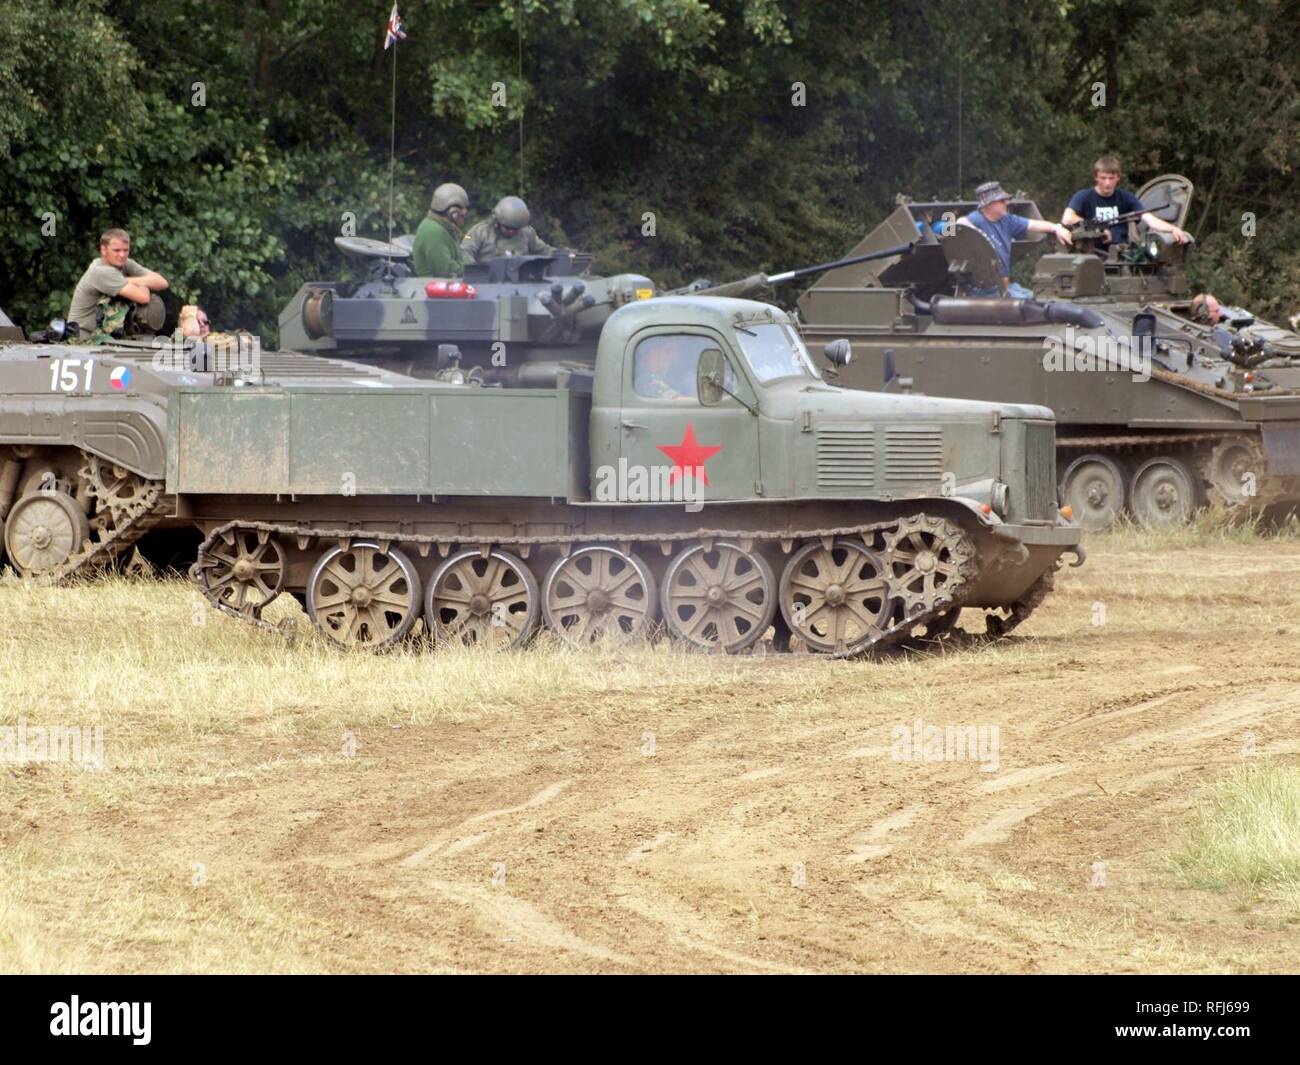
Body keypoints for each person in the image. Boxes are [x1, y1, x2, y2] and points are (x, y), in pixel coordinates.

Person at [960, 182, 1072, 298]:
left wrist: (1056, 228)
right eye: (1002, 201)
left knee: (1038, 299)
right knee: (1029, 305)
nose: (1007, 203)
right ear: (989, 204)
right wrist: (977, 234)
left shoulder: (1007, 220)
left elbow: (1033, 224)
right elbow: (959, 223)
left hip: (1005, 286)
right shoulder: (977, 219)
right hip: (984, 290)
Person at [1062, 155, 1192, 247]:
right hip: (1090, 254)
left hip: (1121, 253)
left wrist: (1173, 229)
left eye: (1111, 178)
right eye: (1103, 178)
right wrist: (1097, 229)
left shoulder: (1125, 197)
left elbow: (1151, 220)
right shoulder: (1084, 196)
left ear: (1118, 177)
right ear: (1096, 177)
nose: (1107, 183)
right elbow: (1067, 218)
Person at [67, 228, 169, 339]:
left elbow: (162, 282)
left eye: (126, 250)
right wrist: (143, 284)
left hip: (104, 337)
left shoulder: (125, 264)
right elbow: (143, 297)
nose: (122, 255)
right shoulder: (101, 271)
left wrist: (129, 281)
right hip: (83, 339)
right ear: (104, 250)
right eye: (116, 250)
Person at [461, 196, 555, 264]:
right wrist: (474, 270)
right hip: (486, 280)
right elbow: (465, 251)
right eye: (507, 228)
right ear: (497, 220)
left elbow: (545, 250)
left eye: (515, 229)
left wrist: (564, 255)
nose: (511, 231)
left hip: (520, 281)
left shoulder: (527, 233)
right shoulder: (480, 231)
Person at [412, 182, 469, 277]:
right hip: (431, 288)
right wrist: (473, 270)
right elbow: (446, 270)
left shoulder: (444, 227)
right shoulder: (434, 232)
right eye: (461, 214)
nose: (464, 216)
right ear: (453, 213)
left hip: (444, 286)